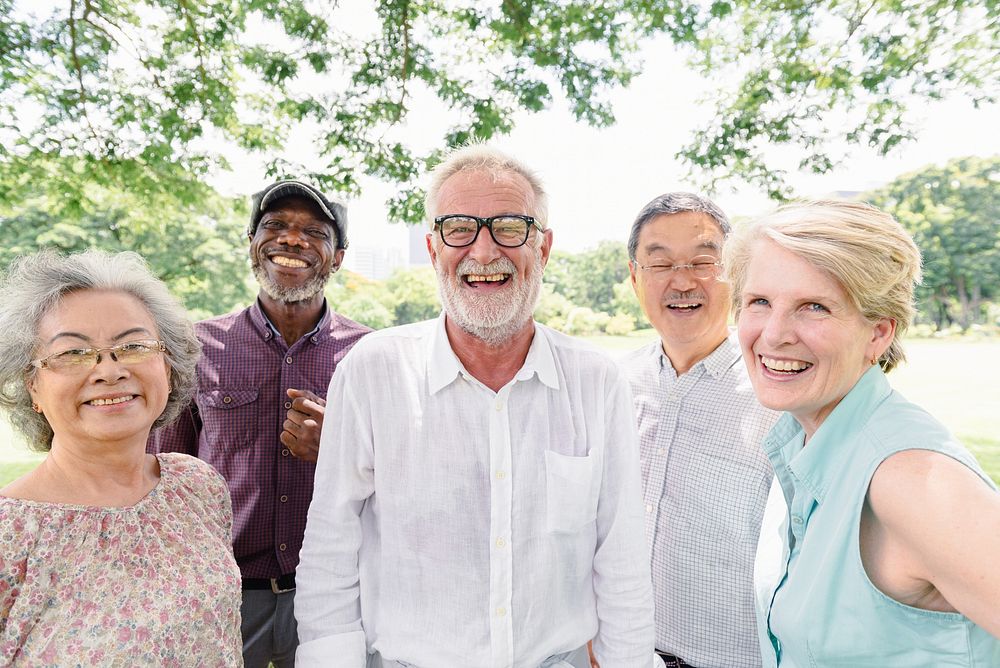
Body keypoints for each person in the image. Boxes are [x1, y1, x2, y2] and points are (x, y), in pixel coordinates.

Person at [295, 145, 655, 667]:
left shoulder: (596, 381)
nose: (484, 252)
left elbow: (621, 559)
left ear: (544, 247)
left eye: (509, 227)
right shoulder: (374, 371)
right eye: (460, 228)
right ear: (434, 247)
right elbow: (332, 547)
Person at [723, 200, 1000, 666]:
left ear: (878, 334)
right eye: (759, 302)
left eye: (814, 307)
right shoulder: (802, 440)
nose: (773, 334)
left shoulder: (910, 477)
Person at [149, 180, 370, 668]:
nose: (292, 240)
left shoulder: (371, 356)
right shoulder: (195, 349)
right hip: (224, 592)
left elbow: (401, 480)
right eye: (274, 226)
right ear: (251, 244)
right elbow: (159, 476)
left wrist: (339, 448)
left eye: (314, 231)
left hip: (333, 595)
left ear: (337, 258)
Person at [0, 249, 241, 665]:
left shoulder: (197, 487)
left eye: (133, 346)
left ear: (168, 366)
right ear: (32, 385)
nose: (109, 371)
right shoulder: (11, 535)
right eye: (72, 353)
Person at [618, 193, 779, 668]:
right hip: (621, 654)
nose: (682, 281)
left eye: (703, 261)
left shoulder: (777, 395)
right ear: (634, 278)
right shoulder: (611, 386)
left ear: (734, 273)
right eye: (660, 263)